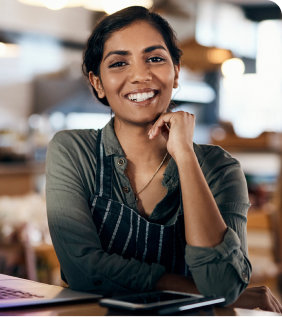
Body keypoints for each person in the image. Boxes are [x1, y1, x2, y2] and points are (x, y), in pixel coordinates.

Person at [45, 6, 282, 313]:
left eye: (155, 58)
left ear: (176, 72)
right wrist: (196, 291)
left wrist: (185, 156)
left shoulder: (220, 169)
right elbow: (83, 269)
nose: (141, 75)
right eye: (119, 63)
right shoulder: (74, 150)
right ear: (97, 83)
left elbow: (222, 283)